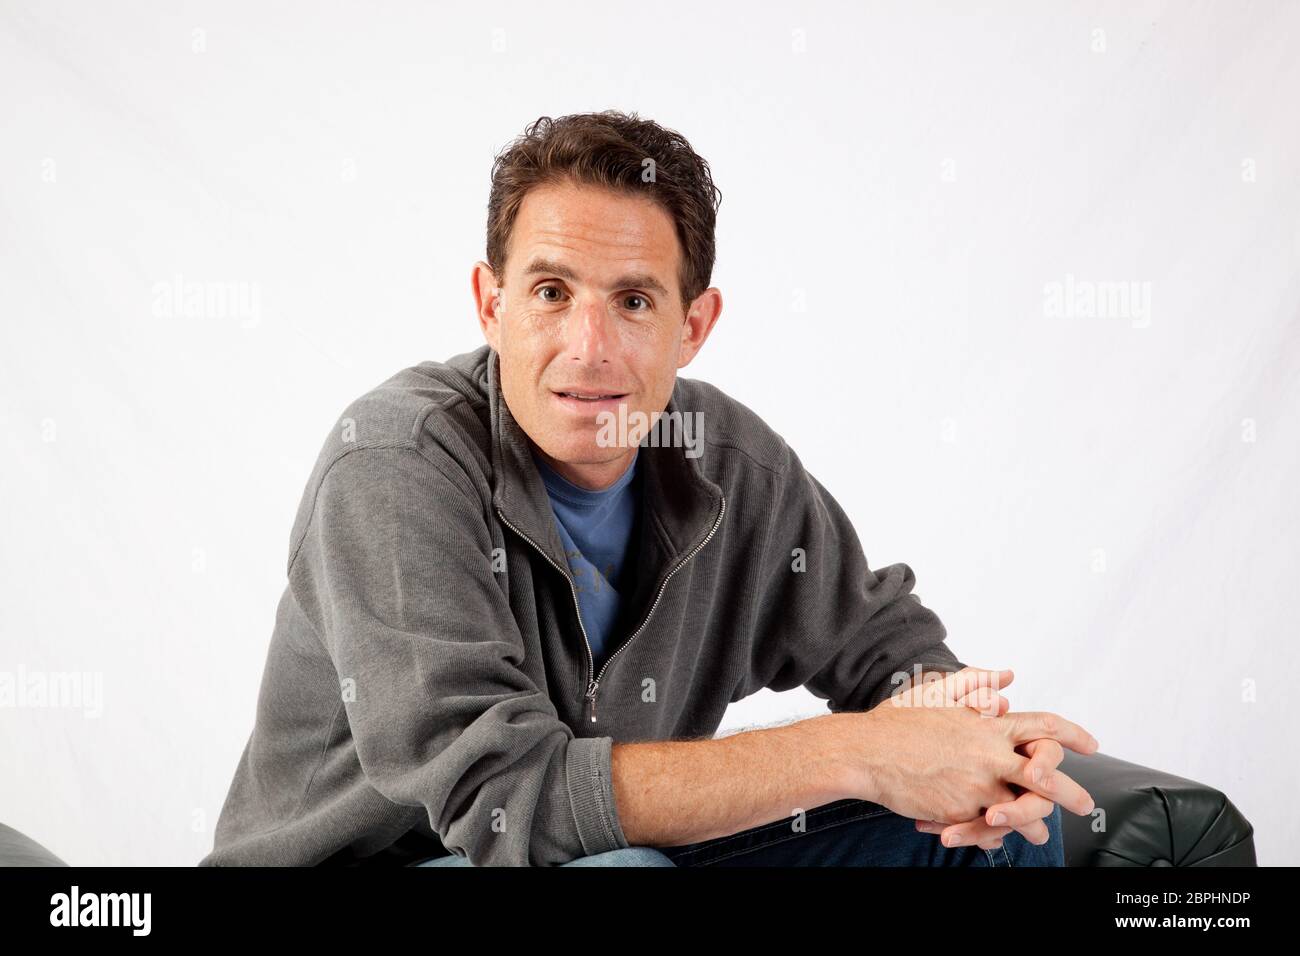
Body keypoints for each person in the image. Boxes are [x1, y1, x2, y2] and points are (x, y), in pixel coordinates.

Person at [201, 110, 1097, 868]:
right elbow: (511, 803)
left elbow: (887, 650)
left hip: (615, 855)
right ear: (491, 304)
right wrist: (862, 752)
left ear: (693, 325)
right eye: (551, 291)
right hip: (380, 865)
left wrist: (984, 749)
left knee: (1013, 831)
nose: (589, 347)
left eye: (633, 301)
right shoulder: (396, 463)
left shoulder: (726, 459)